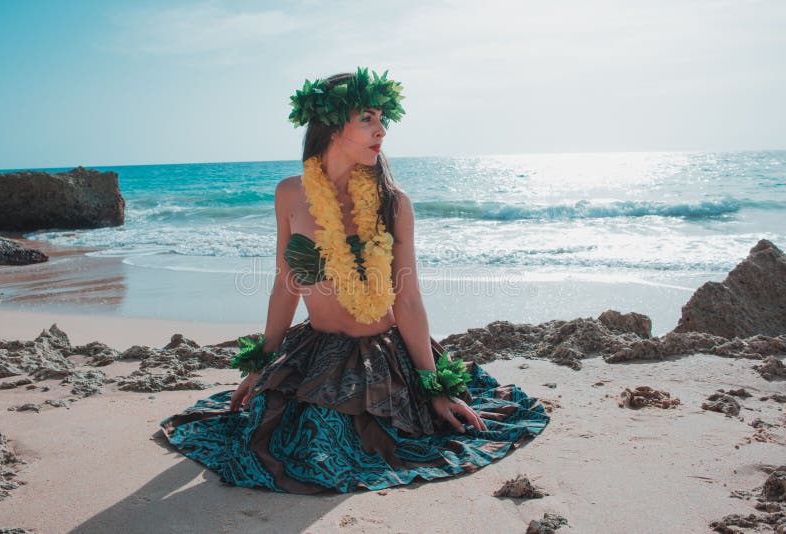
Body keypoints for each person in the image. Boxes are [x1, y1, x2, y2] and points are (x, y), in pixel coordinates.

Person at [159, 68, 549, 494]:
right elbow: (286, 285)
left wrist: (433, 387)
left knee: (342, 444)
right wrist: (262, 363)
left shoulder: (393, 202)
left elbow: (409, 301)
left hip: (380, 359)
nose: (381, 130)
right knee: (291, 437)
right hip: (312, 353)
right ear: (330, 123)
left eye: (383, 119)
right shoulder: (290, 194)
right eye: (368, 118)